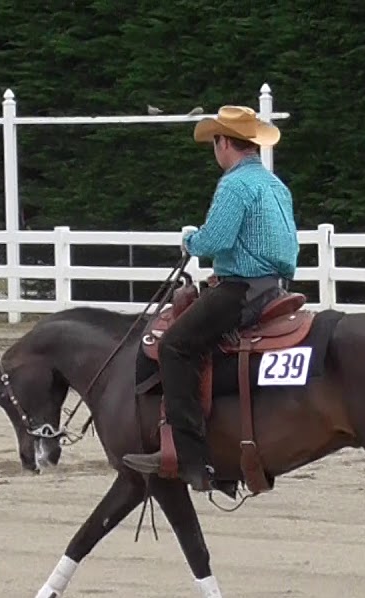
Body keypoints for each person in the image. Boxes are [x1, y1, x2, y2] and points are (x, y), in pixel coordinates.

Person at [122, 105, 299, 492]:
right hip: (274, 286)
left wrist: (190, 240)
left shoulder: (235, 185)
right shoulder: (275, 184)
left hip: (240, 289)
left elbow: (215, 239)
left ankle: (190, 455)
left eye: (214, 142)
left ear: (223, 143)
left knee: (176, 346)